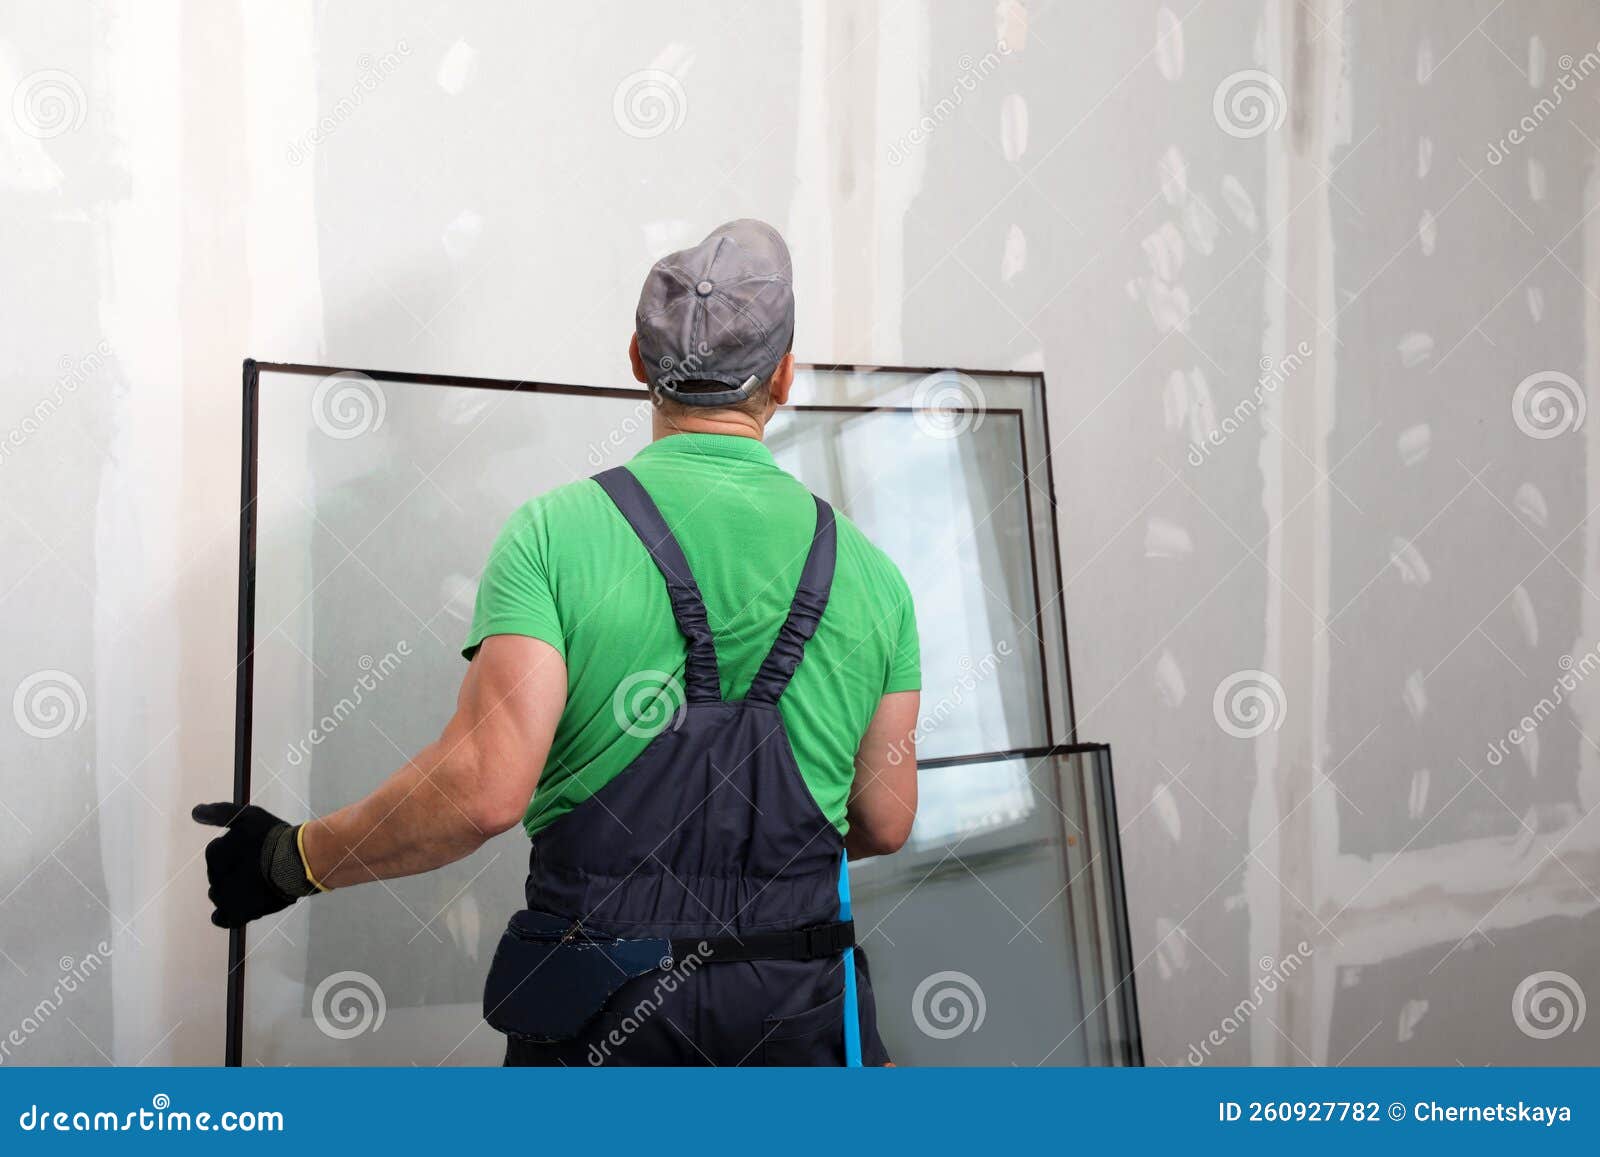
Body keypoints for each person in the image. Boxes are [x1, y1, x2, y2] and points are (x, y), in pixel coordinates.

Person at [195, 219, 921, 1066]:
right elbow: (883, 818)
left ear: (639, 362)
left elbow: (481, 793)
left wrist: (289, 859)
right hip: (800, 1033)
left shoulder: (554, 535)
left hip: (604, 1026)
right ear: (786, 375)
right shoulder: (874, 578)